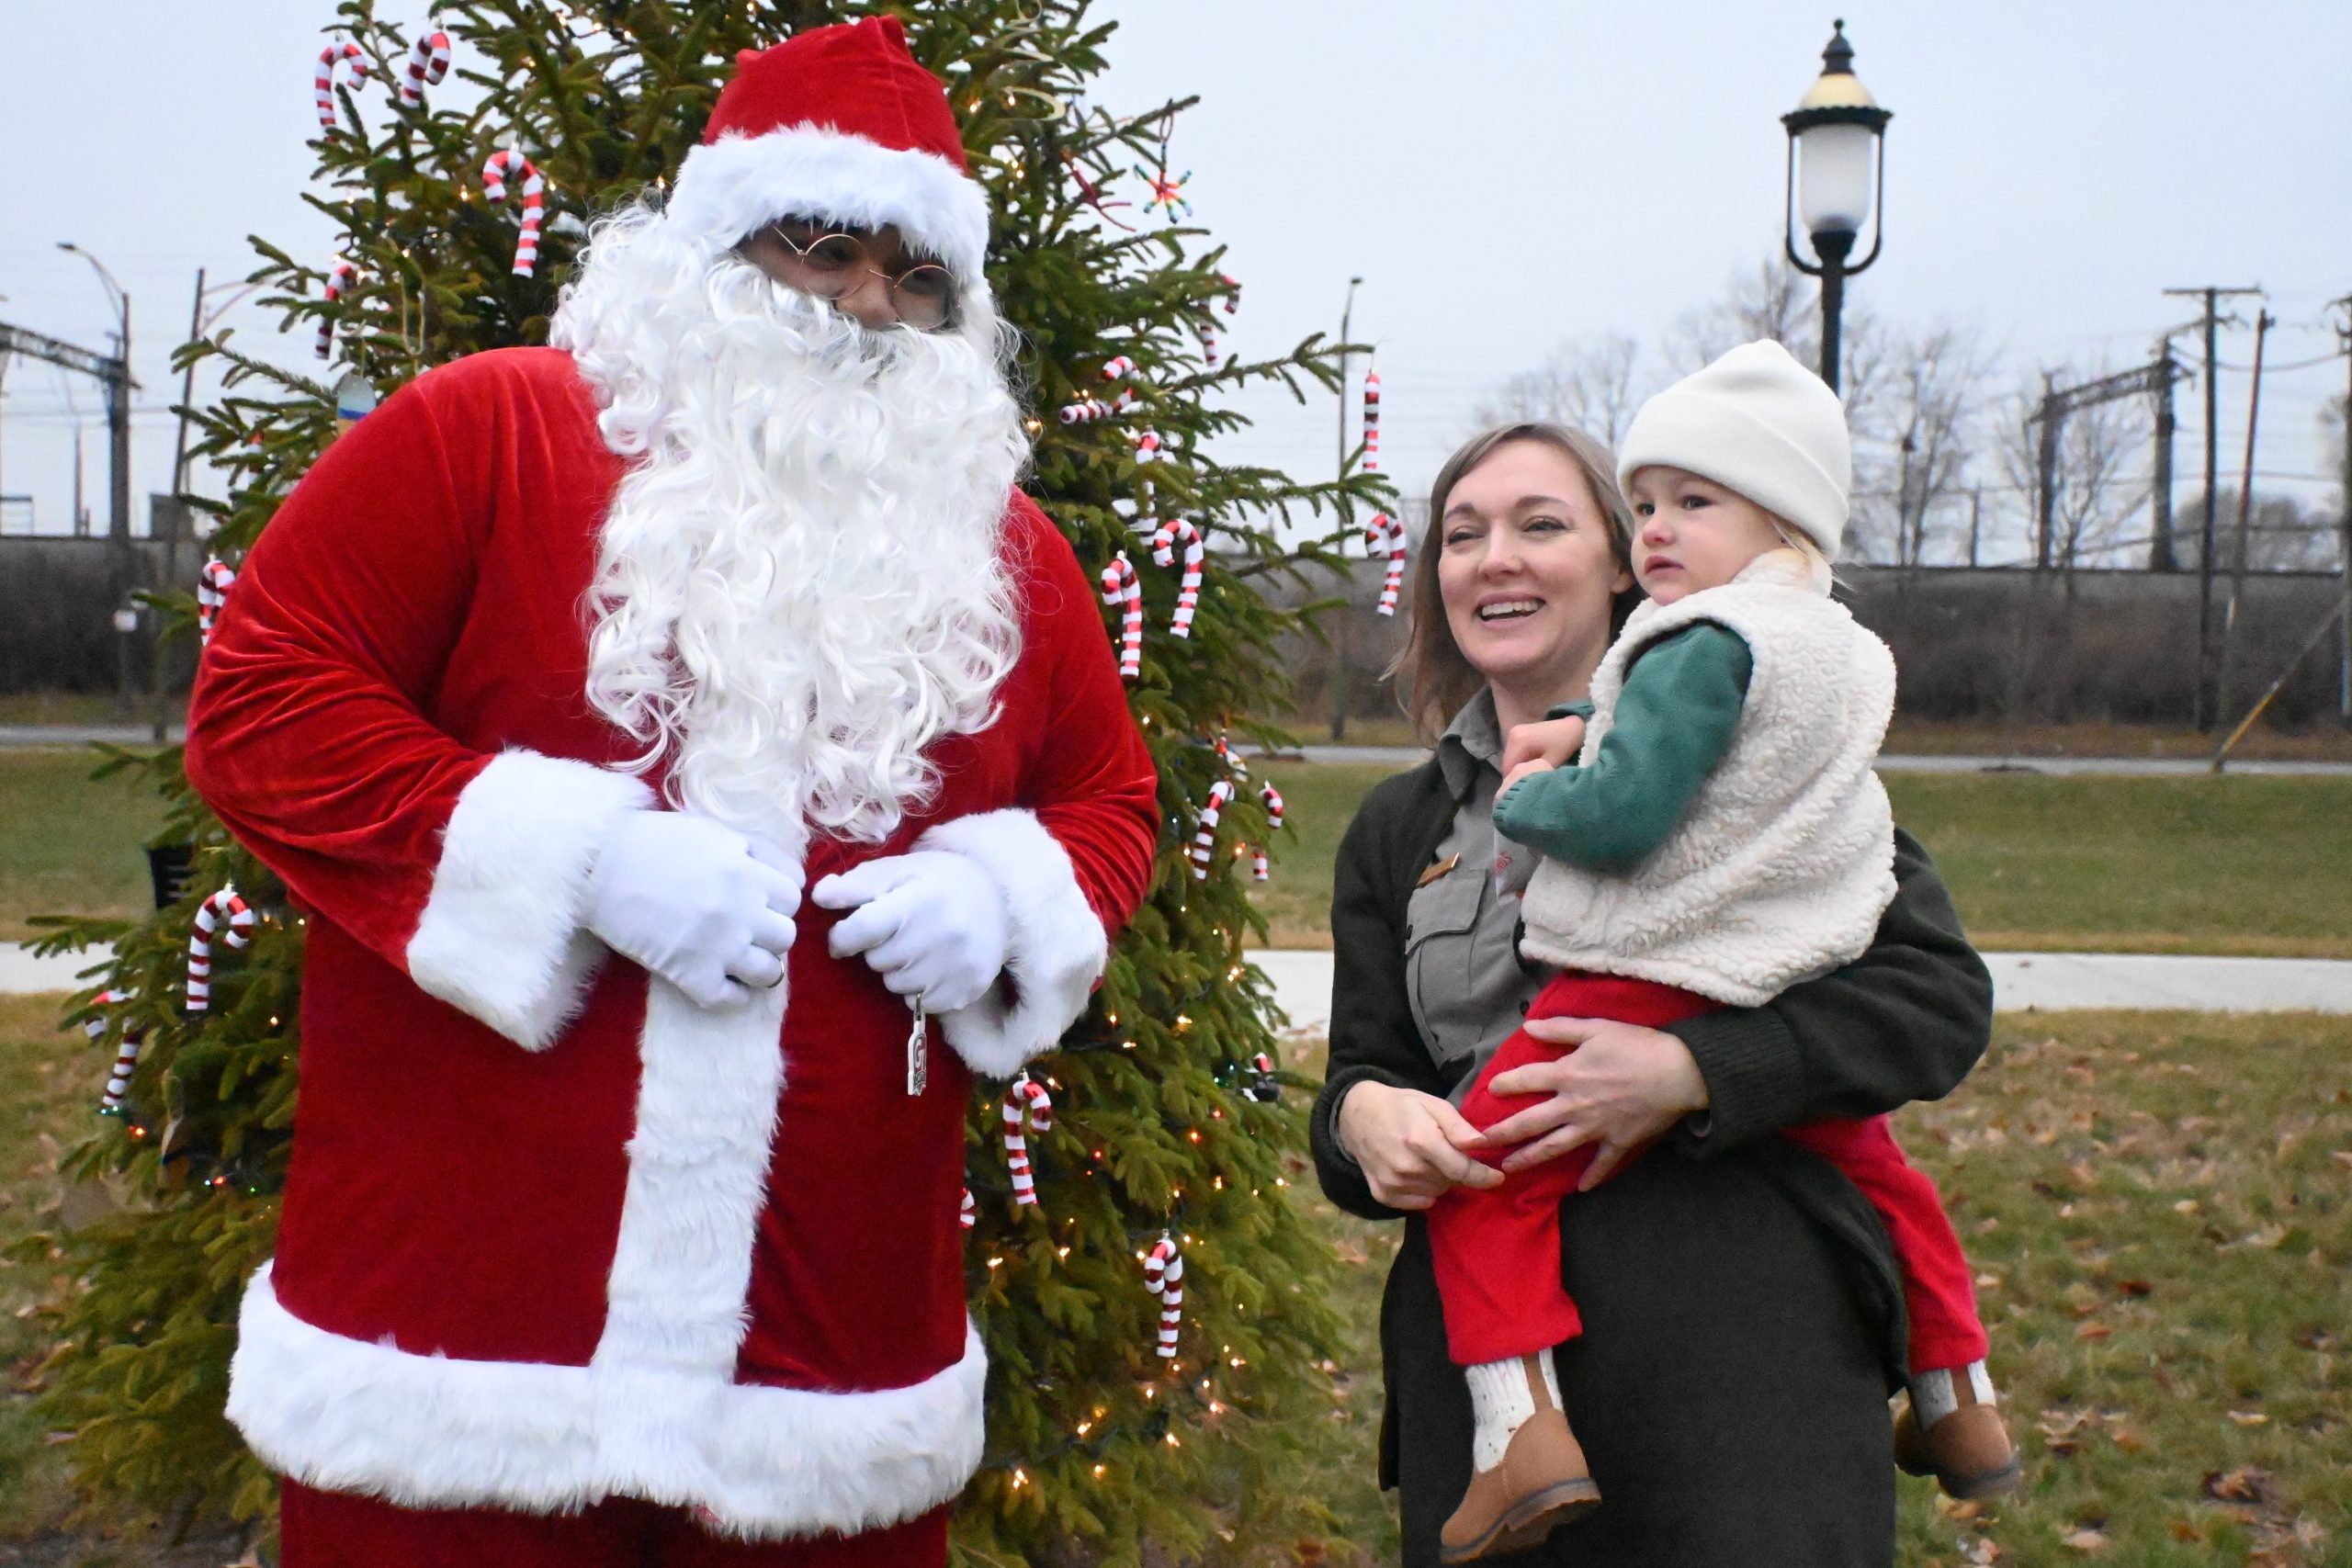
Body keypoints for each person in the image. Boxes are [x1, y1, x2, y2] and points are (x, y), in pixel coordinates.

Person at [184, 19, 1158, 1566]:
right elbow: (263, 703)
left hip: (829, 1374)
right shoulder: (481, 433)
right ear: (707, 249)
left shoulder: (1010, 555)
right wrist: (571, 867)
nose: (867, 305)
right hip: (461, 1355)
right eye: (822, 247)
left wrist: (1005, 898)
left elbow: (1109, 801)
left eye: (916, 279)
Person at [1311, 419, 1996, 1567]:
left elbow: (1935, 1002)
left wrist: (1696, 1073)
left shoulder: (1764, 769)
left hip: (1741, 1369)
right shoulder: (1399, 828)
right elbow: (1360, 1076)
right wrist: (1362, 1124)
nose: (1497, 559)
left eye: (1542, 525)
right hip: (1488, 1395)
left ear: (1624, 561)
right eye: (1463, 534)